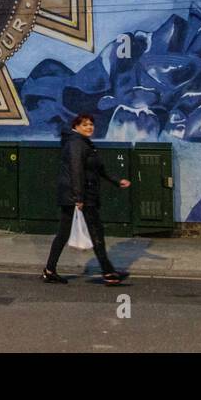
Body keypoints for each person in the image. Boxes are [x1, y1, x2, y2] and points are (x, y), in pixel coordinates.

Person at [42, 113, 131, 285]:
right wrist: (79, 197)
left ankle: (49, 270)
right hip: (80, 196)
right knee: (96, 231)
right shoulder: (76, 143)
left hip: (78, 195)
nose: (89, 127)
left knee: (63, 234)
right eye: (85, 125)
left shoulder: (84, 143)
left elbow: (98, 169)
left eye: (91, 124)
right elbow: (76, 170)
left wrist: (116, 181)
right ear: (76, 127)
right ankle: (108, 272)